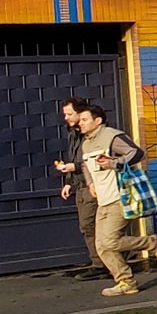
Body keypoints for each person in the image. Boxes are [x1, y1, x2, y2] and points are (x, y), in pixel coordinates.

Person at [75, 103, 157, 295]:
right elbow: (86, 165)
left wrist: (114, 162)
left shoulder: (111, 136)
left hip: (120, 196)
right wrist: (90, 183)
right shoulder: (86, 142)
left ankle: (155, 242)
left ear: (97, 121)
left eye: (84, 119)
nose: (80, 123)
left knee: (110, 242)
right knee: (101, 247)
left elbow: (136, 153)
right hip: (103, 199)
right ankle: (126, 282)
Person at [51, 95, 100, 277]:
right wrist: (69, 182)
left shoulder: (91, 134)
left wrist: (74, 167)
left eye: (69, 114)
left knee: (90, 225)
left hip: (91, 186)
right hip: (80, 185)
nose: (66, 118)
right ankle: (102, 262)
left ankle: (101, 264)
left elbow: (92, 159)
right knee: (88, 226)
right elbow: (75, 158)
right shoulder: (73, 134)